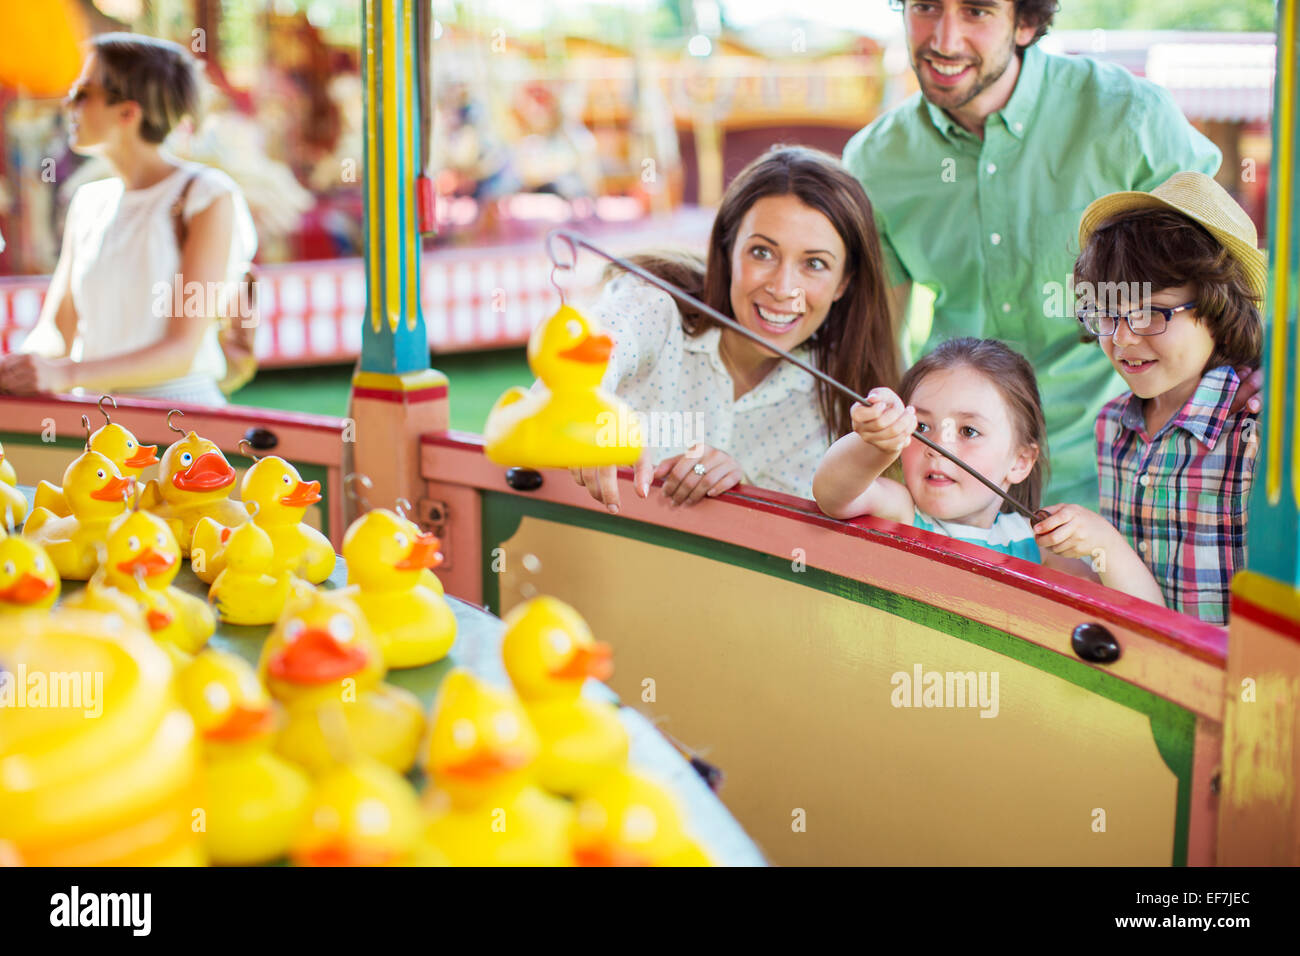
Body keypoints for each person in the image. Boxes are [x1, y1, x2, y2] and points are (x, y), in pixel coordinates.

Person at [842, 0, 1248, 508]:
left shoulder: (1128, 114)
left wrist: (1245, 386)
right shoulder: (875, 161)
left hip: (1124, 470)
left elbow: (1220, 278)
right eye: (925, 7)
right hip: (960, 482)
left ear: (1026, 21)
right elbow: (882, 336)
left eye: (976, 12)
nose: (944, 40)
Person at [571, 146, 898, 509]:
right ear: (728, 249)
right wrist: (586, 406)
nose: (782, 288)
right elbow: (576, 356)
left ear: (843, 283)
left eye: (815, 264)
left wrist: (740, 487)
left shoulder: (835, 397)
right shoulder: (654, 306)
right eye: (762, 253)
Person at [1032, 172, 1264, 625]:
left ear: (1221, 307)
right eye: (1105, 314)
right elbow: (1127, 579)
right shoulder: (1112, 424)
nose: (1122, 338)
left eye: (1147, 312)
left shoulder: (1257, 432)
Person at [0, 33, 257, 405]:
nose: (69, 102)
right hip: (98, 422)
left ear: (128, 112)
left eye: (84, 93)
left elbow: (181, 351)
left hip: (180, 423)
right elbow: (58, 332)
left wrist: (66, 374)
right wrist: (18, 366)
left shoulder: (207, 197)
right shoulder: (88, 201)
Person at [813, 337, 1051, 562]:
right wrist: (876, 443)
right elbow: (833, 495)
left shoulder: (1034, 541)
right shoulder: (901, 513)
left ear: (1020, 461)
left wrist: (1090, 541)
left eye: (968, 431)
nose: (938, 446)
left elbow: (1087, 589)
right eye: (922, 426)